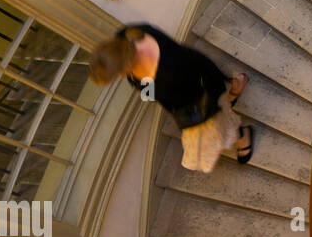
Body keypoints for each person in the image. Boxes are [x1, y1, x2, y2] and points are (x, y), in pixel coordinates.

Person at [90, 24, 253, 173]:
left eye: (118, 73)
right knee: (219, 120)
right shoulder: (127, 34)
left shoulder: (167, 70)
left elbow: (179, 91)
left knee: (220, 124)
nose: (120, 77)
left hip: (201, 91)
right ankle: (230, 97)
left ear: (125, 63)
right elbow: (150, 91)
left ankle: (242, 133)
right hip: (193, 81)